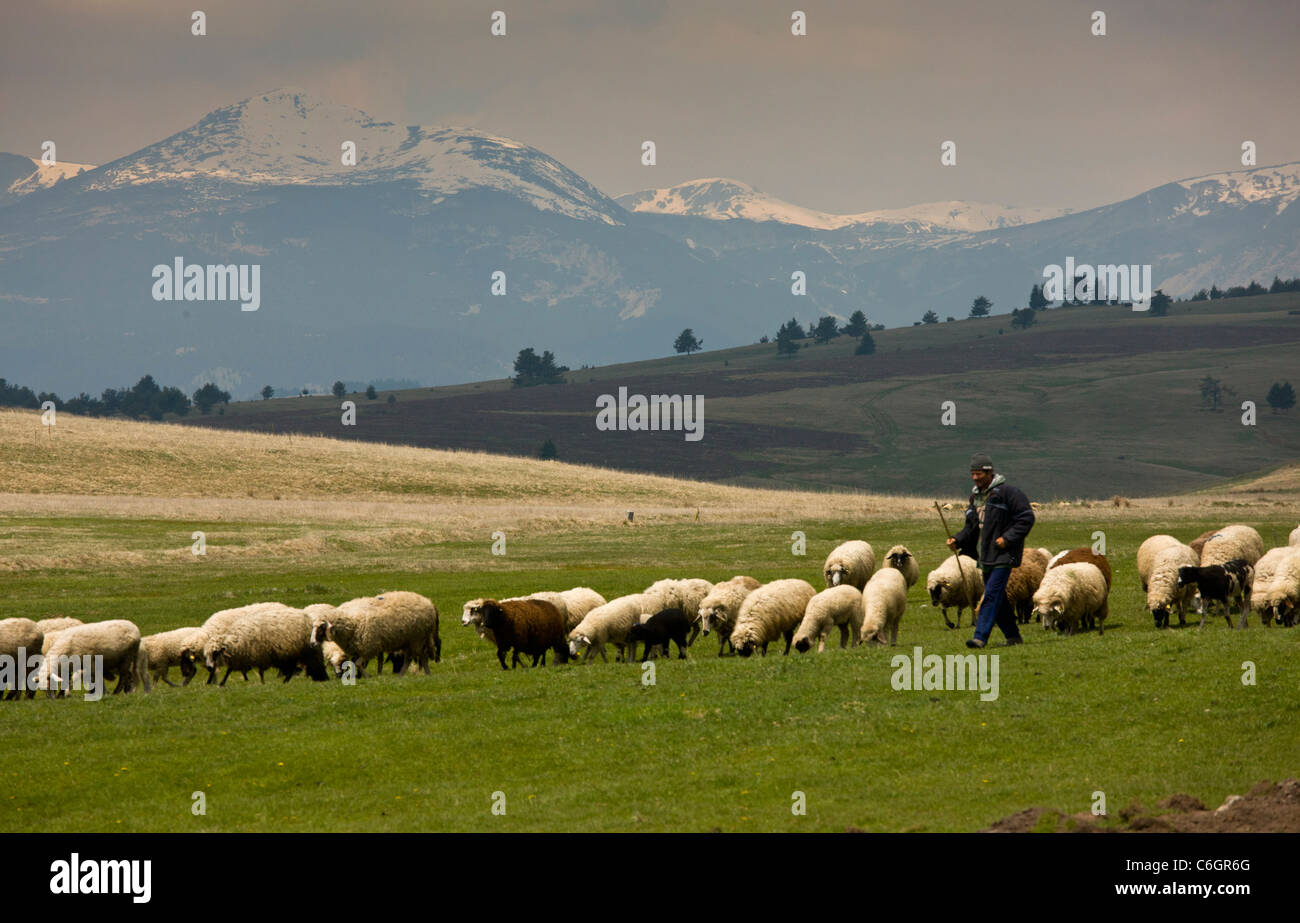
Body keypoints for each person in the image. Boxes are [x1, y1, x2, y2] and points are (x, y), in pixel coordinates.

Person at [946, 452, 1035, 648]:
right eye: (973, 474)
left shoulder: (1009, 493)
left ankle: (980, 637)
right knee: (999, 597)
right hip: (985, 555)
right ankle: (1013, 636)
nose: (976, 478)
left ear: (990, 472)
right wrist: (957, 540)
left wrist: (1008, 538)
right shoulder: (975, 498)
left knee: (991, 594)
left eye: (980, 474)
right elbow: (971, 527)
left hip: (1004, 554)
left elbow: (1026, 518)